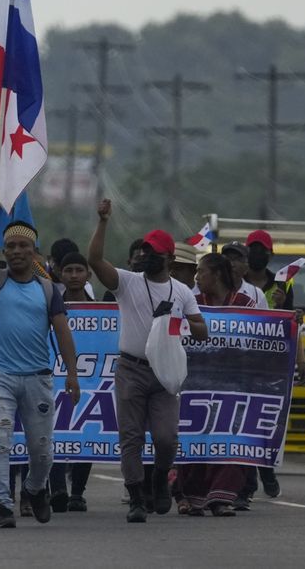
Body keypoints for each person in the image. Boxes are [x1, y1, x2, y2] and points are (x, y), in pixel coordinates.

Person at [0, 193, 81, 529]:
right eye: (10, 246)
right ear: (3, 251)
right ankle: (2, 504)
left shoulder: (48, 289)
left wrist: (72, 374)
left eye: (22, 246)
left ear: (34, 252)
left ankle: (35, 488)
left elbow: (63, 332)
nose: (16, 251)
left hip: (38, 378)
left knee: (42, 452)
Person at [88, 200, 207, 523]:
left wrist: (176, 318)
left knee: (167, 438)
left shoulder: (181, 291)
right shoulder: (127, 282)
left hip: (165, 371)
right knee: (131, 437)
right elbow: (95, 260)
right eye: (143, 250)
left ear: (168, 257)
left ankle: (160, 476)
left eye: (153, 251)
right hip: (131, 369)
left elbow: (201, 331)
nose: (145, 255)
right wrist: (103, 221)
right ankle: (137, 497)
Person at [174, 253, 249, 517]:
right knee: (195, 438)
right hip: (195, 383)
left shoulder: (245, 304)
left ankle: (220, 498)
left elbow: (262, 335)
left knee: (229, 439)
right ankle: (190, 496)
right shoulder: (191, 303)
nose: (196, 277)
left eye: (200, 272)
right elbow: (177, 336)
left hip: (232, 385)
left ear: (216, 275)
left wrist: (291, 320)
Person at [240, 229, 305, 501]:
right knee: (240, 423)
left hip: (269, 366)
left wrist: (300, 360)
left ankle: (266, 470)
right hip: (240, 364)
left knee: (263, 421)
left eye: (262, 249)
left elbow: (290, 325)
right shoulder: (236, 282)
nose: (257, 253)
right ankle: (246, 485)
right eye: (252, 248)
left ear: (270, 254)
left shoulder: (282, 284)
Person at [48, 251, 97, 513]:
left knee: (85, 432)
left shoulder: (103, 309)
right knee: (53, 432)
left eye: (80, 270)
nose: (74, 275)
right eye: (69, 270)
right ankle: (57, 489)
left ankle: (77, 492)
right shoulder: (49, 306)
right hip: (53, 376)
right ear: (60, 274)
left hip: (89, 380)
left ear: (88, 274)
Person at [219, 242, 268, 307]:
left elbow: (264, 317)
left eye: (237, 259)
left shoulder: (256, 294)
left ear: (246, 266)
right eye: (227, 258)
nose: (231, 264)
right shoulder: (208, 289)